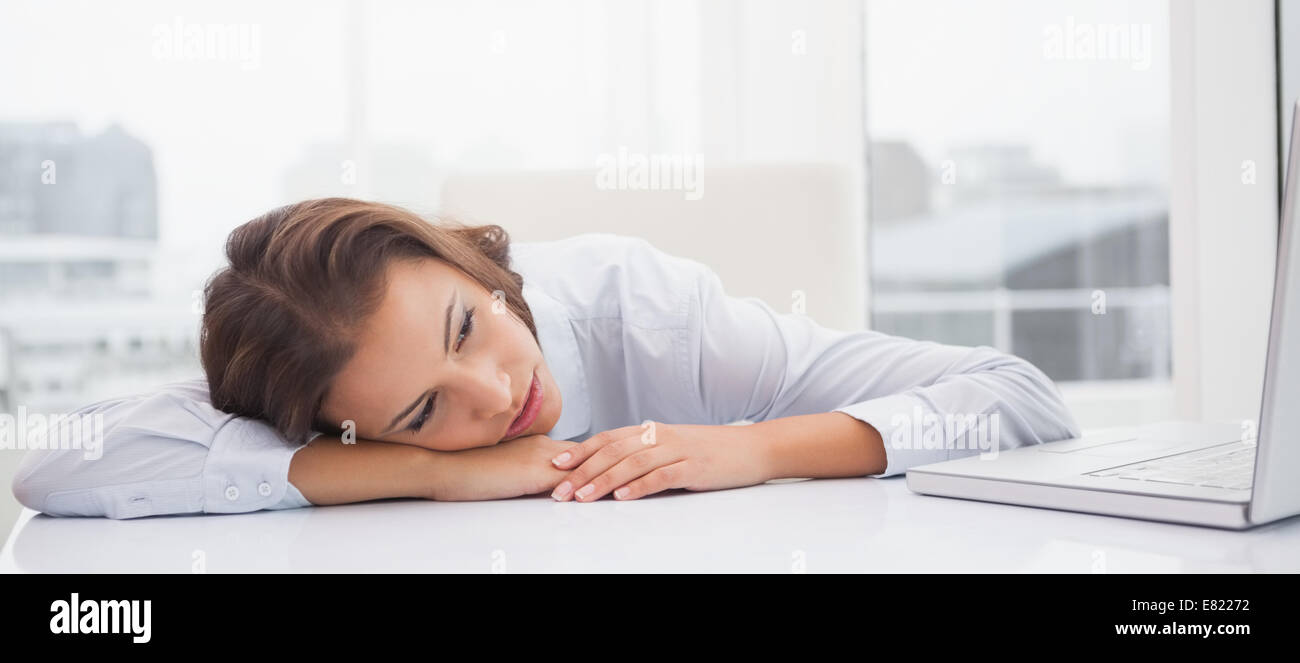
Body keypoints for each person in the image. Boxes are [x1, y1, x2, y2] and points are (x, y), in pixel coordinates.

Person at [11, 197, 1081, 518]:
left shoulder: (642, 311)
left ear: (472, 267)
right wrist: (437, 470)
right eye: (425, 411)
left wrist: (744, 448)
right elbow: (58, 465)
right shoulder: (325, 397)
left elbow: (1017, 400)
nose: (497, 394)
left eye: (465, 331)